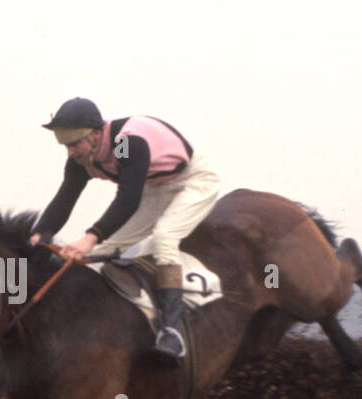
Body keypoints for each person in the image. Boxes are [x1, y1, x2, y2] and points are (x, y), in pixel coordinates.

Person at [31, 97, 221, 364]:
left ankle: (172, 333)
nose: (71, 152)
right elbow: (65, 198)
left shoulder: (126, 144)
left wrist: (89, 235)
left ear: (97, 134)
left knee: (165, 237)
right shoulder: (79, 160)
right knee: (102, 251)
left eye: (74, 144)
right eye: (65, 146)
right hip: (155, 189)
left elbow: (128, 199)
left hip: (193, 181)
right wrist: (40, 234)